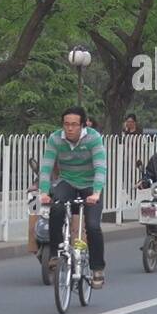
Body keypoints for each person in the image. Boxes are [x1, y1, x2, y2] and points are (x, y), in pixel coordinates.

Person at [38, 106, 107, 288]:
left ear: (83, 125)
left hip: (90, 184)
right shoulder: (55, 139)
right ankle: (55, 253)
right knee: (56, 208)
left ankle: (97, 268)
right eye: (66, 124)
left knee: (92, 226)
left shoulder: (93, 138)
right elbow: (46, 167)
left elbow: (100, 167)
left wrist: (96, 193)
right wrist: (44, 192)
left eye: (74, 125)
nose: (70, 128)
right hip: (67, 181)